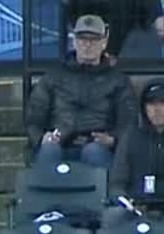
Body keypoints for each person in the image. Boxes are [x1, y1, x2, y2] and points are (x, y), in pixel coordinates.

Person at [23, 14, 136, 170]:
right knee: (48, 150)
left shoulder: (118, 81)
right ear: (74, 42)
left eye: (94, 40)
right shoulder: (53, 77)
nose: (87, 45)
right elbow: (33, 118)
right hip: (60, 143)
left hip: (99, 147)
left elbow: (129, 122)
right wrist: (42, 138)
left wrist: (112, 139)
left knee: (93, 152)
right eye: (82, 39)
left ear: (104, 43)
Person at [106, 78, 164, 227]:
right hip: (137, 207)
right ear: (144, 108)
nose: (157, 109)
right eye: (151, 104)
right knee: (114, 216)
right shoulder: (130, 137)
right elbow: (117, 182)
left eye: (163, 103)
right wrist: (125, 201)